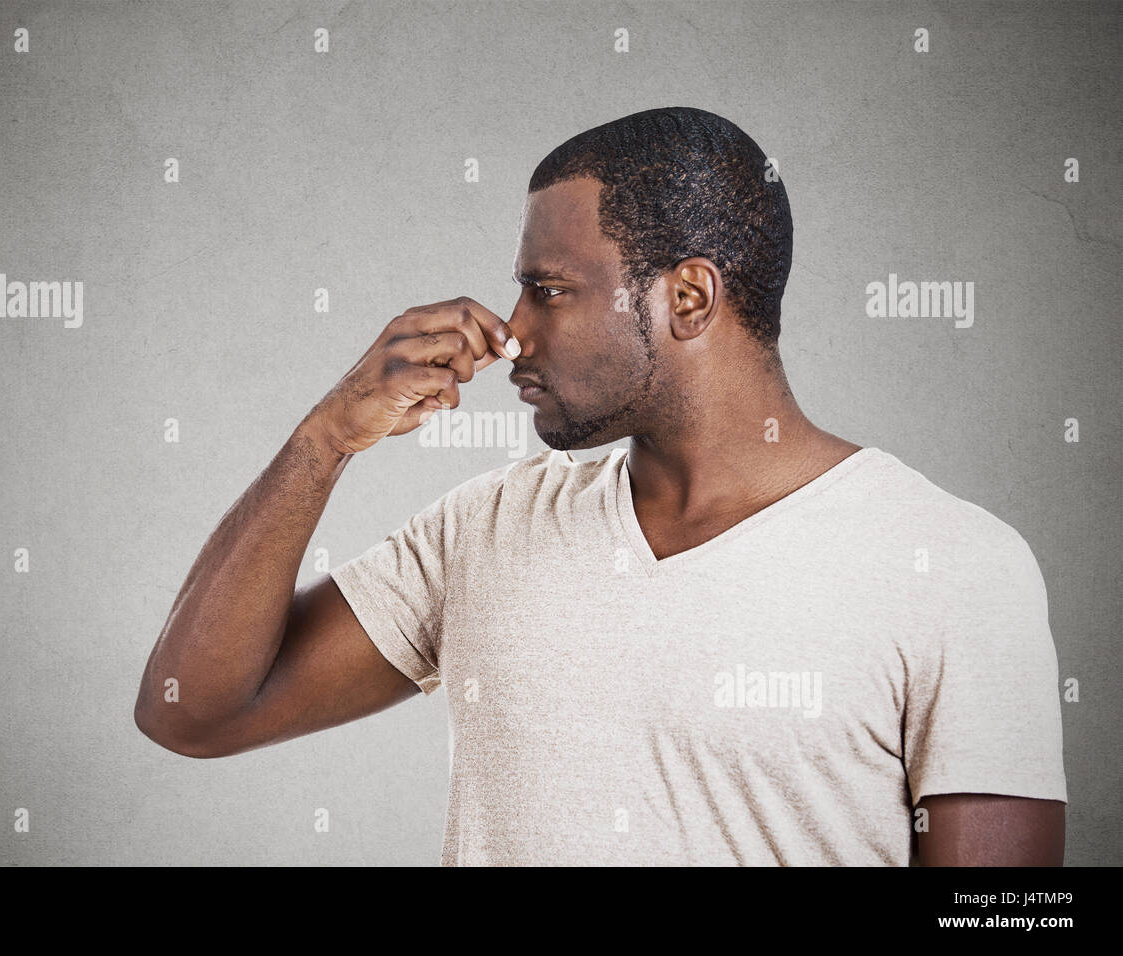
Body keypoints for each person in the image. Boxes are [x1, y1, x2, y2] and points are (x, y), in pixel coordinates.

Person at [134, 107, 1066, 865]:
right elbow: (193, 710)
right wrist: (325, 438)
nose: (509, 333)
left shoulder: (951, 567)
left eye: (549, 290)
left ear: (686, 299)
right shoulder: (488, 526)